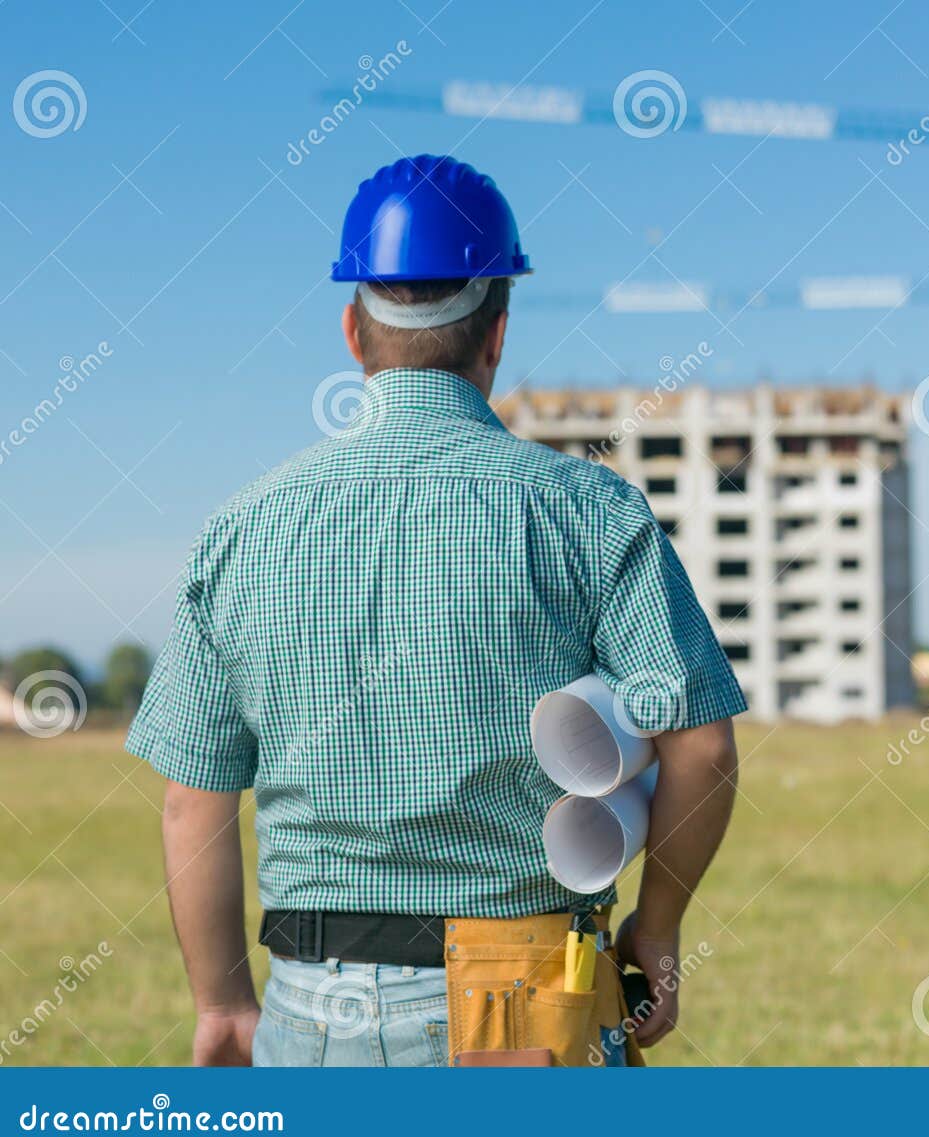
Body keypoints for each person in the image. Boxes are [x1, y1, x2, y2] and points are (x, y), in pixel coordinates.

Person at [128, 154, 744, 1067]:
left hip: (311, 1005)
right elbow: (703, 748)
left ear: (352, 331)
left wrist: (222, 1004)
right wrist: (657, 927)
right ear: (497, 334)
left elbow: (193, 799)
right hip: (530, 1007)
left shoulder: (242, 528)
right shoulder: (589, 510)